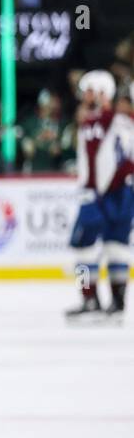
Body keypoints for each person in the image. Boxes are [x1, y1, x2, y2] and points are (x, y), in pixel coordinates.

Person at [64, 71, 134, 322]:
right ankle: (114, 305)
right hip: (116, 192)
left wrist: (103, 189)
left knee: (87, 249)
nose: (85, 95)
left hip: (103, 193)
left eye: (90, 90)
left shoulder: (110, 121)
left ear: (103, 93)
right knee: (115, 247)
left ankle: (92, 301)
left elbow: (125, 159)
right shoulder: (105, 121)